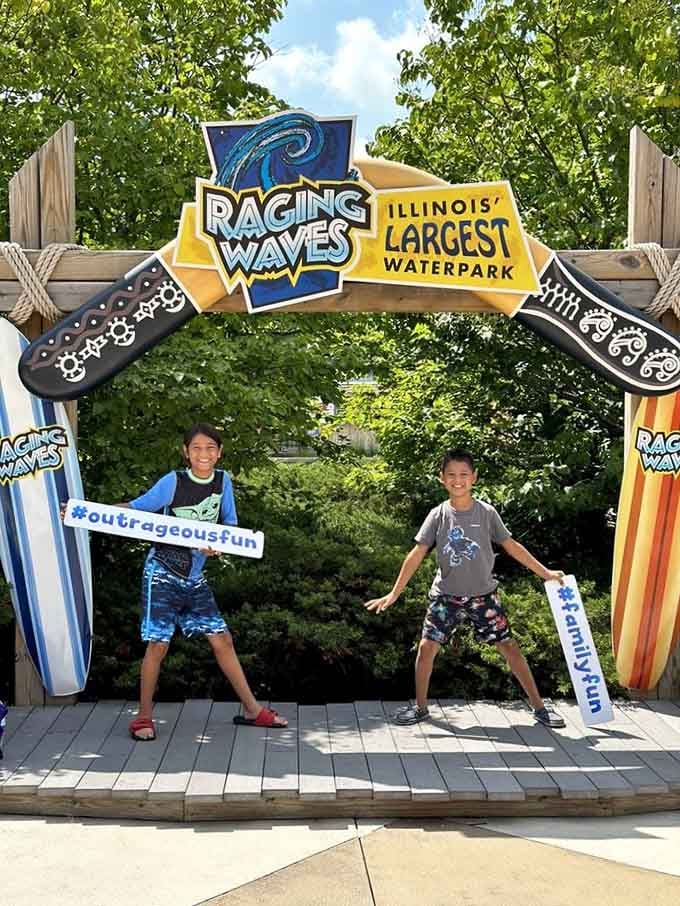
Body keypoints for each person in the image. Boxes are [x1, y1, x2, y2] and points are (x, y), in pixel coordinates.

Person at [364, 448, 566, 728]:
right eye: (451, 475)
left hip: (484, 596)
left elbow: (511, 546)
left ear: (474, 478)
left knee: (509, 647)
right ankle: (421, 708)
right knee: (426, 647)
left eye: (463, 475)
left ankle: (540, 708)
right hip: (445, 597)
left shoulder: (486, 513)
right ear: (442, 479)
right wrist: (394, 592)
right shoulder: (438, 515)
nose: (457, 480)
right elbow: (416, 554)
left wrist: (544, 573)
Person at [124, 422, 287, 740]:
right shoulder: (173, 481)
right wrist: (81, 512)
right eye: (197, 448)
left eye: (210, 448)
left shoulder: (223, 481)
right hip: (162, 570)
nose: (204, 453)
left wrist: (218, 546)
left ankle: (253, 710)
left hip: (194, 576)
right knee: (158, 644)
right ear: (186, 452)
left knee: (222, 639)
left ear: (220, 452)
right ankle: (142, 718)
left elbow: (230, 526)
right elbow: (134, 511)